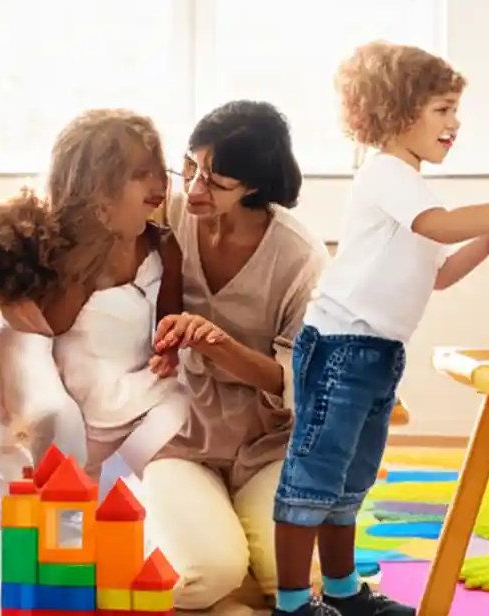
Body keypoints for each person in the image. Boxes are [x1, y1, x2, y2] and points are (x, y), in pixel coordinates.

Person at [270, 41, 489, 616]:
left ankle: (342, 592)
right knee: (313, 475)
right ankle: (292, 604)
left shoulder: (409, 182)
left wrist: (488, 244)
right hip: (341, 347)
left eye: (453, 111)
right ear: (397, 112)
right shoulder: (388, 174)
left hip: (376, 352)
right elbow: (439, 227)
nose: (455, 123)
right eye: (442, 110)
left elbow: (437, 273)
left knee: (350, 483)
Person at [0, 108, 188, 526]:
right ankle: (88, 500)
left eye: (160, 171)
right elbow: (55, 325)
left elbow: (169, 316)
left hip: (137, 389)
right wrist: (93, 255)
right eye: (140, 175)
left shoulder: (162, 247)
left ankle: (118, 491)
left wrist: (169, 348)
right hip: (86, 396)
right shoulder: (72, 257)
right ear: (98, 192)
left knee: (186, 404)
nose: (158, 186)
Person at [139, 99, 329, 611]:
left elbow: (294, 381)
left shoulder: (300, 258)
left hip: (267, 444)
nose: (195, 188)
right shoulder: (170, 210)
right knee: (209, 572)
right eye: (190, 167)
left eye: (217, 182)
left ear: (255, 187)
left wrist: (215, 342)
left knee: (283, 578)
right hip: (177, 436)